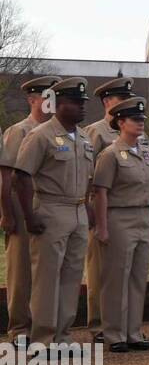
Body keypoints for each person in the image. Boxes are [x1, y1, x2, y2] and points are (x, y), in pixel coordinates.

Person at [13, 77, 94, 348]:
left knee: (71, 278)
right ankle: (43, 339)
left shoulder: (83, 138)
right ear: (58, 105)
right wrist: (29, 216)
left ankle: (62, 336)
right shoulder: (41, 135)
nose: (82, 107)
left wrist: (88, 209)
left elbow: (88, 178)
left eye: (83, 102)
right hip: (51, 208)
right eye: (75, 102)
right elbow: (22, 177)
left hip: (78, 210)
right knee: (47, 279)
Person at [91, 97, 149, 352]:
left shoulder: (147, 152)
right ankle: (114, 334)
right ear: (120, 122)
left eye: (142, 119)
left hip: (142, 218)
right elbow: (101, 191)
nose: (140, 123)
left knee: (138, 278)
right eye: (134, 119)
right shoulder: (110, 154)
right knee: (117, 277)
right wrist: (102, 226)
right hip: (120, 217)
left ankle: (133, 331)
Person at [1, 74, 58, 346]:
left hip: (47, 207)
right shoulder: (19, 131)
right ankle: (19, 328)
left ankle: (42, 325)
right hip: (21, 207)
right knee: (21, 269)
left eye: (54, 98)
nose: (50, 103)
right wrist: (7, 214)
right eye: (46, 97)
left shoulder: (58, 133)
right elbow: (7, 177)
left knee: (45, 270)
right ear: (32, 99)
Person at [83, 76, 140, 343]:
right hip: (105, 209)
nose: (128, 104)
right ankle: (100, 325)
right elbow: (87, 174)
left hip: (133, 209)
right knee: (101, 272)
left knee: (129, 274)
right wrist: (91, 212)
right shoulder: (95, 132)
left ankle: (126, 326)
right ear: (107, 102)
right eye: (122, 99)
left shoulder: (138, 133)